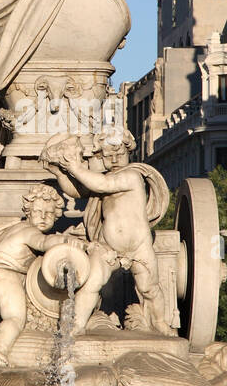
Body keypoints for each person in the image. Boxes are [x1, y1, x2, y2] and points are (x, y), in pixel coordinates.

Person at [41, 130, 172, 333]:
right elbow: (78, 191)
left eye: (119, 154)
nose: (114, 159)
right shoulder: (101, 178)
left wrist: (75, 167)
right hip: (107, 247)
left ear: (129, 153)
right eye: (108, 156)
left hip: (139, 247)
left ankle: (161, 323)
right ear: (101, 157)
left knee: (149, 288)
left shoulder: (132, 176)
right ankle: (77, 325)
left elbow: (102, 184)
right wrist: (59, 172)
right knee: (92, 282)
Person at [0, 184, 78, 365]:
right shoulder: (30, 232)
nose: (43, 217)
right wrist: (68, 241)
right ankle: (0, 349)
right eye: (38, 212)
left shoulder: (9, 227)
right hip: (5, 280)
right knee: (16, 319)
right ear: (28, 211)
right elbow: (44, 242)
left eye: (49, 214)